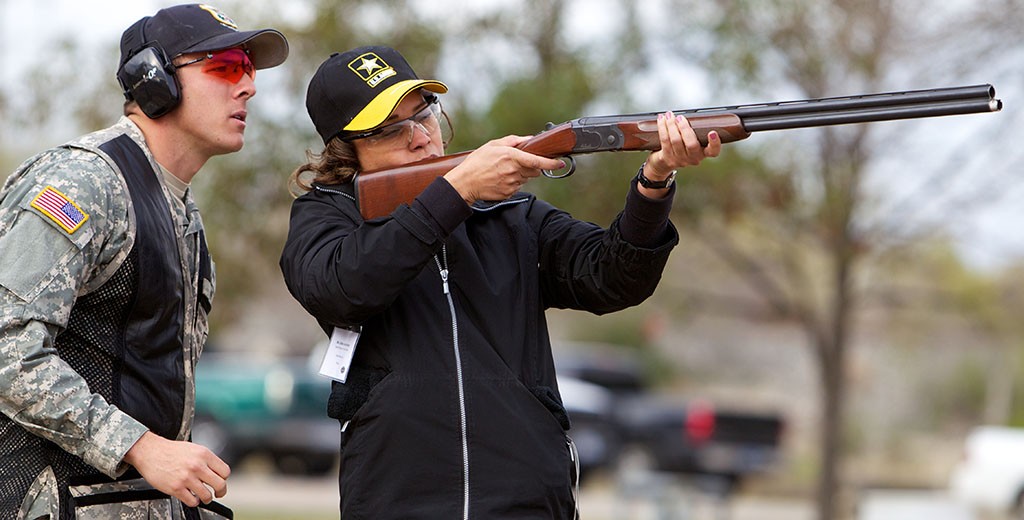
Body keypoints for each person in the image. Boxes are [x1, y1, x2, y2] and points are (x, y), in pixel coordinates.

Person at [279, 45, 721, 519]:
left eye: (424, 115)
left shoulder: (509, 214)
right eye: (391, 130)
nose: (420, 137)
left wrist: (653, 184)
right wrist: (457, 193)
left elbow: (612, 277)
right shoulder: (326, 216)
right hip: (398, 502)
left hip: (525, 502)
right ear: (346, 150)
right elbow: (342, 289)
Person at [0, 4, 288, 519]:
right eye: (224, 67)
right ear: (153, 79)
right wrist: (139, 446)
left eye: (248, 70)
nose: (248, 87)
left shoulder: (182, 213)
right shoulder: (81, 182)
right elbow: (6, 346)